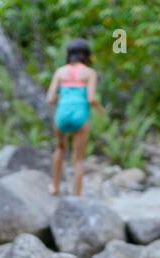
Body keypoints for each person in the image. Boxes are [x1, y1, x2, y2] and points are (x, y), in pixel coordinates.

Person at [46, 39, 101, 197]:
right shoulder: (89, 73)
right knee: (78, 158)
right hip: (80, 116)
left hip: (62, 114)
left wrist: (63, 101)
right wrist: (100, 109)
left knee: (60, 148)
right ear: (86, 55)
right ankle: (77, 195)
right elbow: (91, 99)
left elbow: (50, 98)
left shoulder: (60, 72)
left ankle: (55, 187)